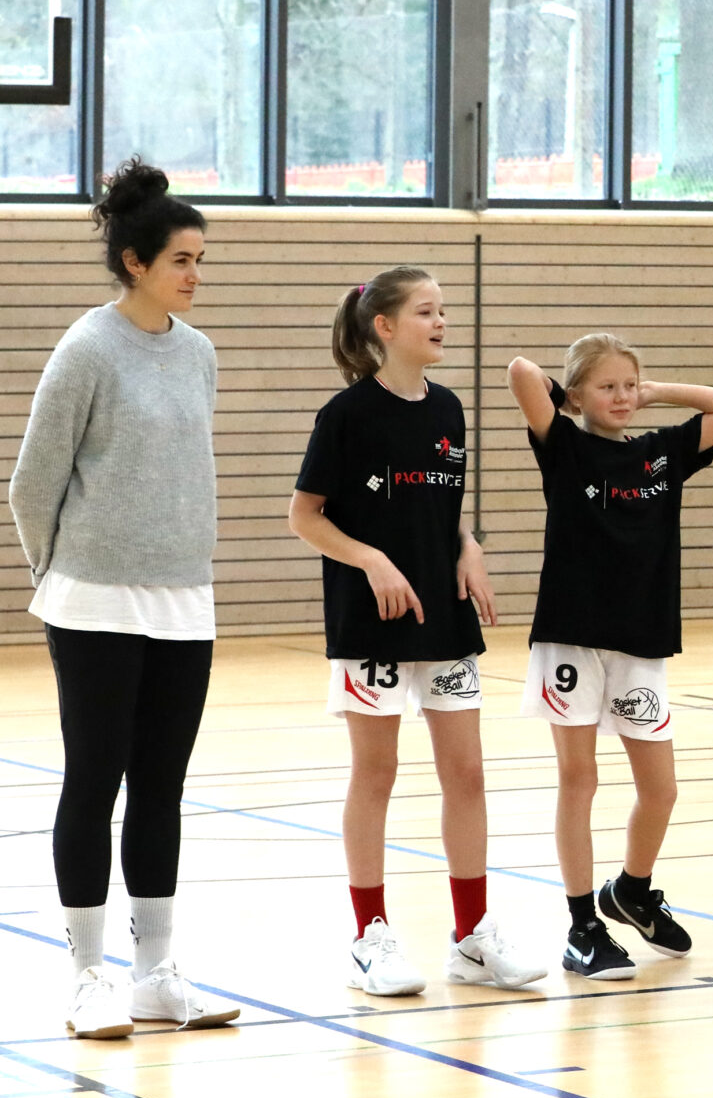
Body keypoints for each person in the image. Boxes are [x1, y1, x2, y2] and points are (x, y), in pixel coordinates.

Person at [10, 159, 239, 1038]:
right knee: (94, 778)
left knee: (161, 787)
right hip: (93, 600)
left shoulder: (199, 353)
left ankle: (155, 974)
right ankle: (87, 975)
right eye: (182, 259)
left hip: (184, 599)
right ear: (135, 262)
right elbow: (33, 484)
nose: (195, 274)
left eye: (200, 260)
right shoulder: (87, 349)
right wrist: (58, 574)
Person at [288, 266, 544, 996]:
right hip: (371, 622)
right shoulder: (346, 415)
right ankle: (369, 937)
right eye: (426, 311)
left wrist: (467, 544)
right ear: (385, 326)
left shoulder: (449, 409)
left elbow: (440, 508)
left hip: (444, 618)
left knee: (467, 773)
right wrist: (371, 559)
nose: (441, 323)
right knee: (376, 773)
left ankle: (472, 937)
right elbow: (304, 516)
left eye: (443, 311)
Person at [507, 335, 713, 978]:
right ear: (577, 394)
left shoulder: (660, 453)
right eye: (607, 387)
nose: (621, 397)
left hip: (641, 639)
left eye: (628, 385)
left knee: (661, 789)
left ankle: (632, 891)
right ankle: (582, 927)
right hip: (571, 635)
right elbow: (521, 371)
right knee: (579, 780)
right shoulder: (564, 445)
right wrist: (570, 400)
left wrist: (655, 392)